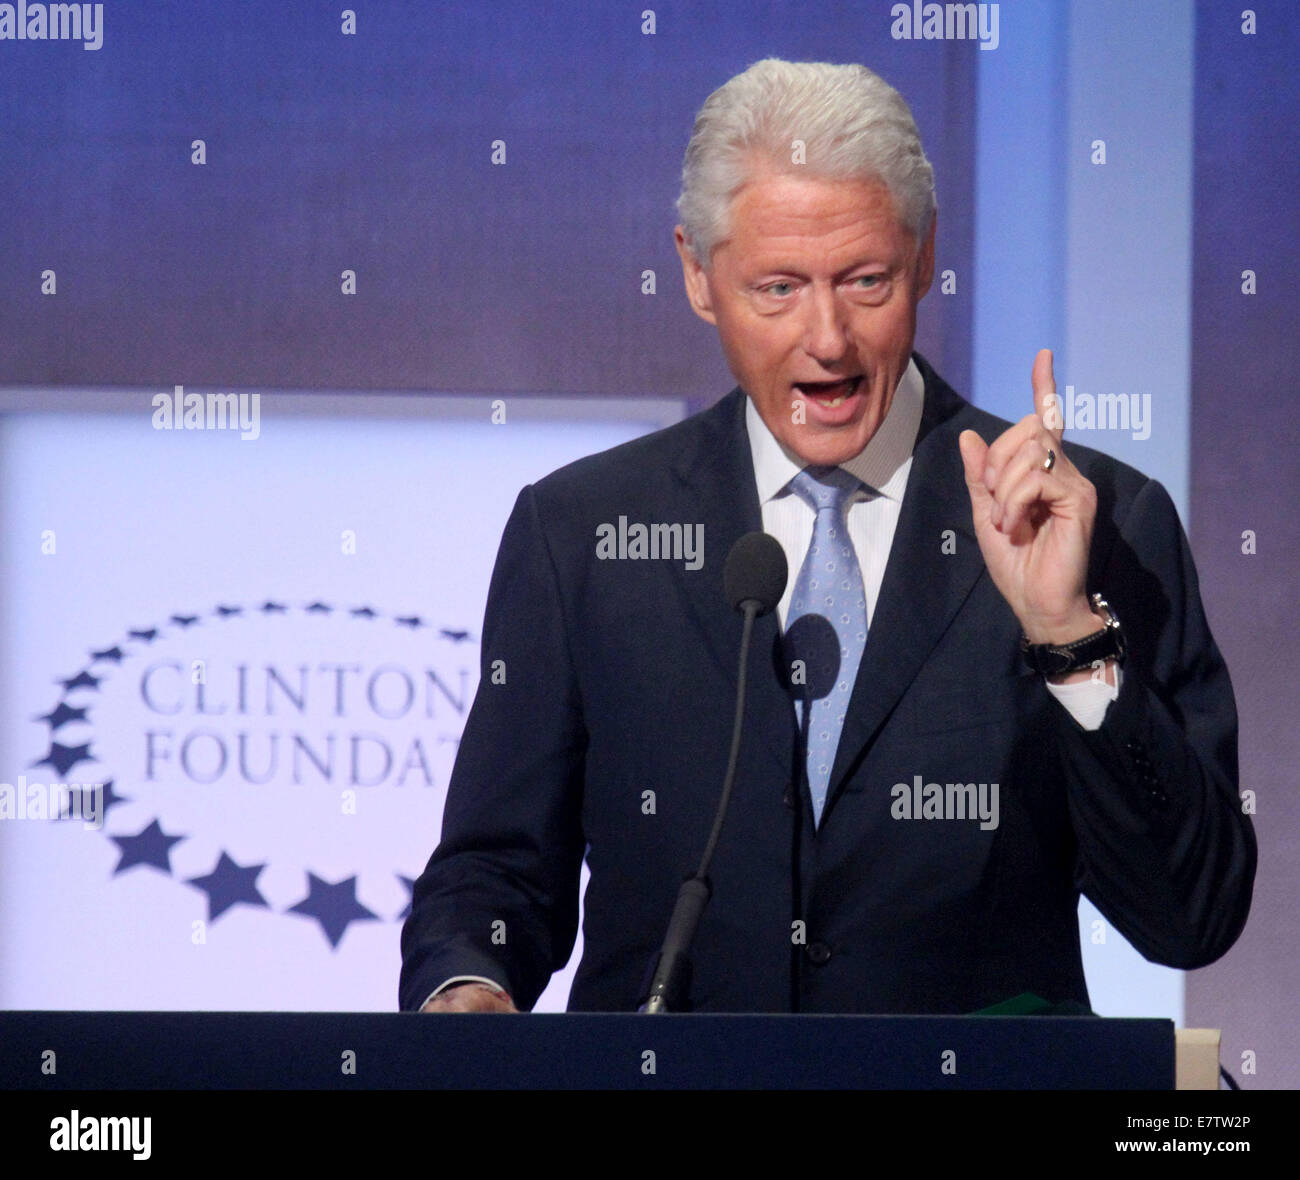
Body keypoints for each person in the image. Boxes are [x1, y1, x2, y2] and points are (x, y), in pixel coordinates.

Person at [399, 59, 1255, 1015]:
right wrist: (466, 989)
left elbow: (1193, 914)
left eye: (866, 280)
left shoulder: (1094, 523)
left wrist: (1069, 640)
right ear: (694, 273)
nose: (829, 338)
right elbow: (496, 873)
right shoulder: (583, 535)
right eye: (777, 288)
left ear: (927, 258)